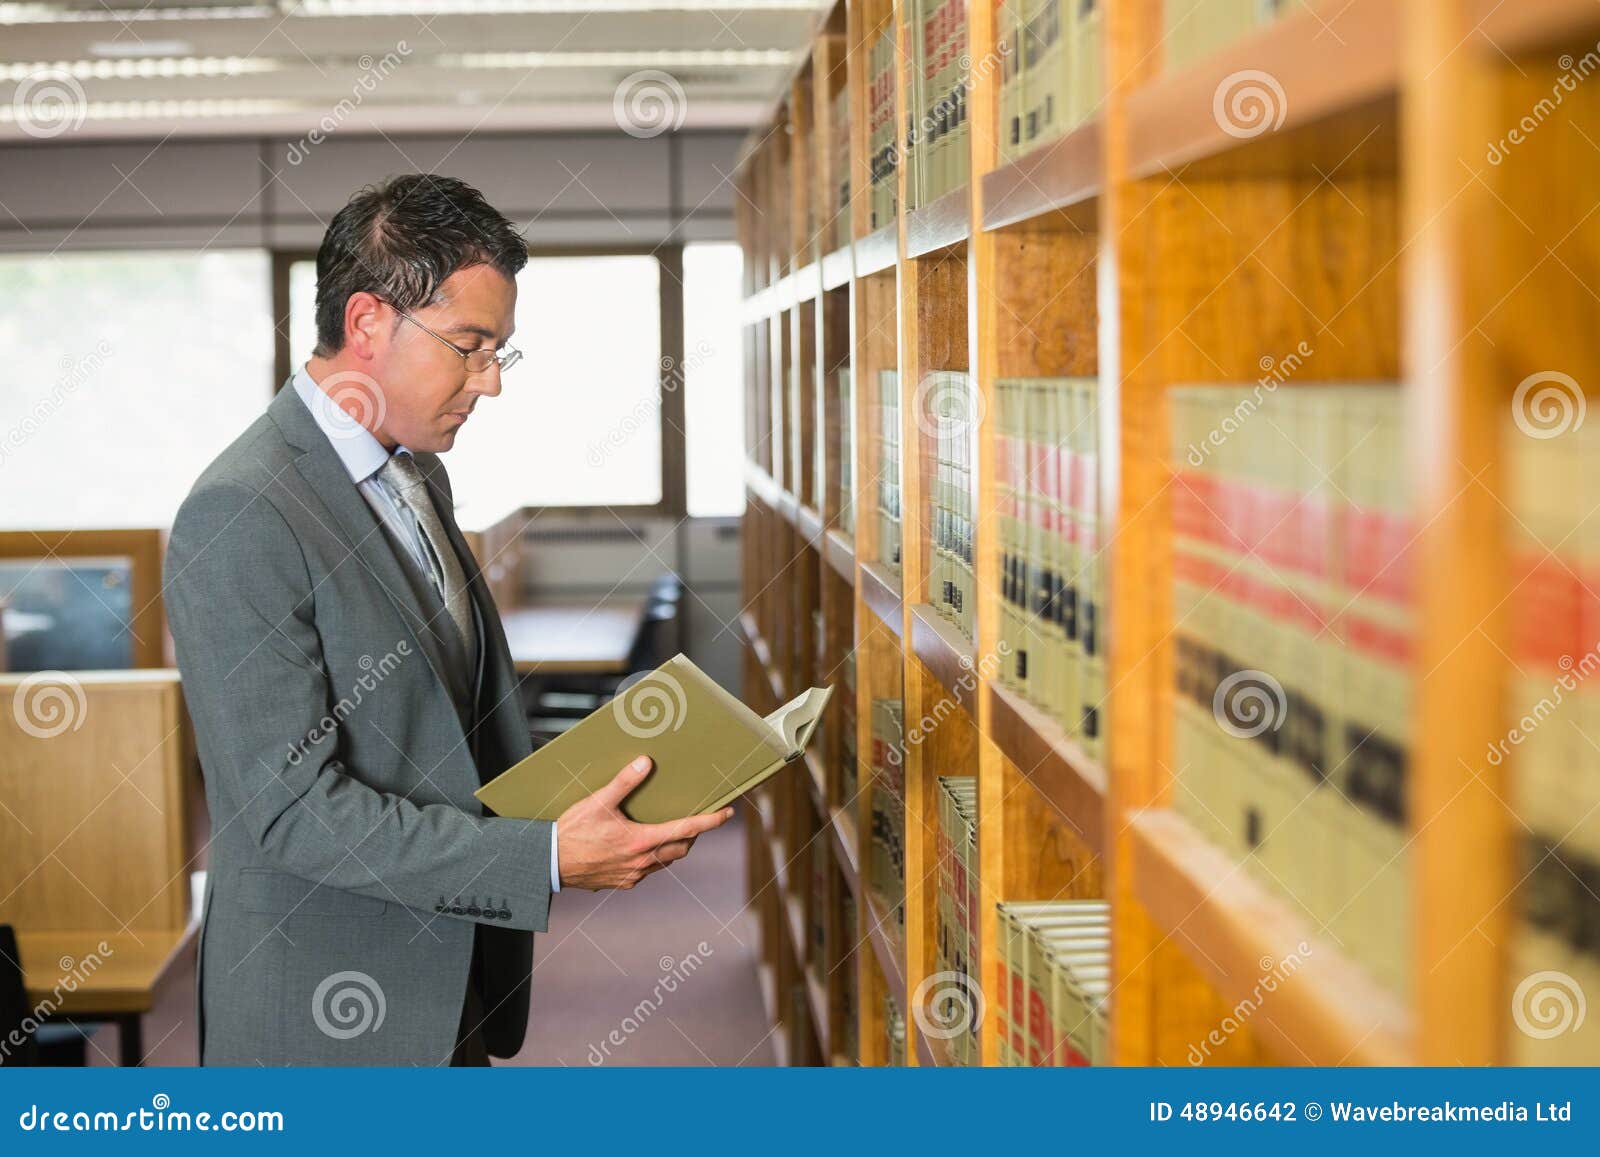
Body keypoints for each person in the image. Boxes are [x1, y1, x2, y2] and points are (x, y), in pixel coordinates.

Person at [163, 173, 732, 1066]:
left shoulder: (417, 470)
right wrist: (539, 858)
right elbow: (286, 814)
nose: (491, 382)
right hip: (327, 1011)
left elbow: (448, 719)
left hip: (450, 968)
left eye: (499, 350)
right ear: (366, 323)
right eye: (470, 345)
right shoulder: (242, 512)